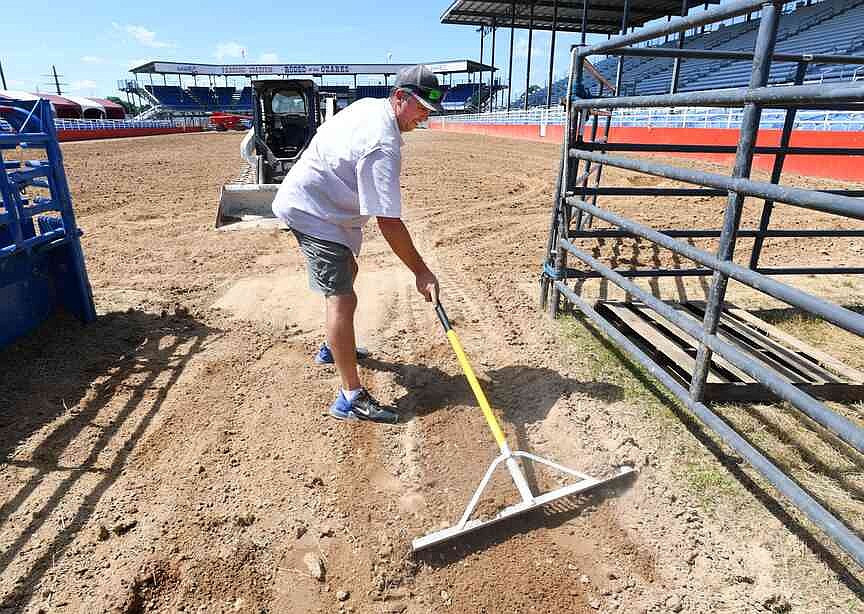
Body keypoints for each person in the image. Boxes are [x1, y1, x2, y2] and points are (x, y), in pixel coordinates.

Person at [272, 64, 443, 424]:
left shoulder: (370, 105)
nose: (424, 118)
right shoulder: (382, 143)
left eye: (430, 112)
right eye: (421, 109)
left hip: (324, 205)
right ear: (399, 98)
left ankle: (333, 348)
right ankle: (350, 397)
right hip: (313, 211)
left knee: (347, 271)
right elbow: (389, 222)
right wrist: (421, 272)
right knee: (343, 297)